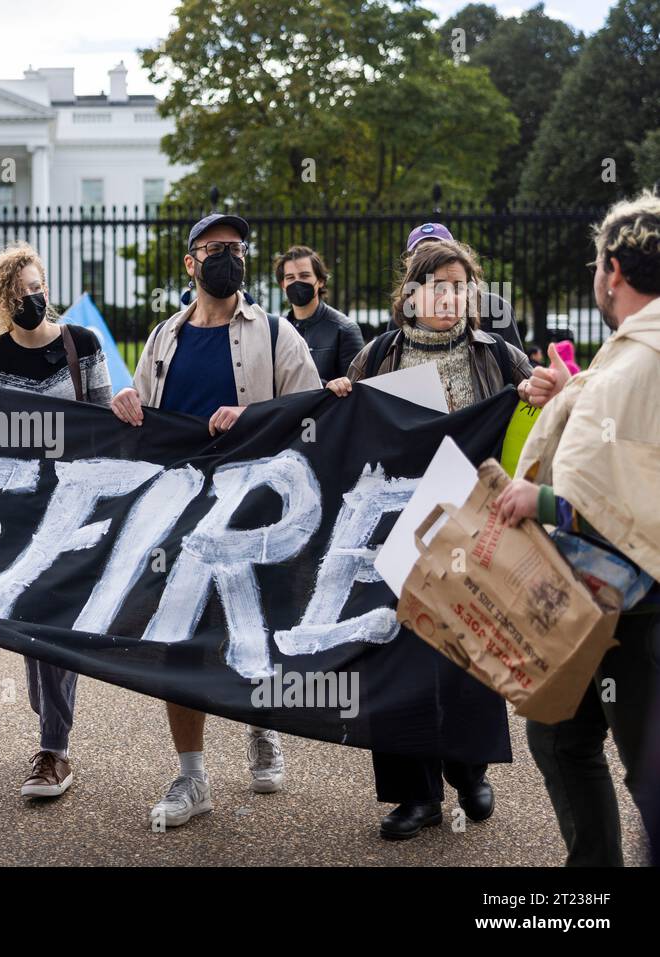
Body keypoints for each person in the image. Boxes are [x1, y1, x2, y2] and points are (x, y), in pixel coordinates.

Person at [111, 213, 322, 827]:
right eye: (213, 249)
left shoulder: (279, 335)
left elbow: (311, 417)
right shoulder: (162, 338)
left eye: (234, 248)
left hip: (254, 513)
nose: (226, 257)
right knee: (179, 639)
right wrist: (125, 401)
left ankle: (261, 727)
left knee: (251, 627)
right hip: (180, 514)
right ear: (190, 263)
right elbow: (143, 414)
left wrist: (252, 417)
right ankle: (192, 774)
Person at [494, 189, 660, 866]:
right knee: (559, 735)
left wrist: (545, 503)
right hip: (595, 596)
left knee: (647, 771)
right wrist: (570, 392)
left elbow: (622, 489)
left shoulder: (645, 355)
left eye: (598, 263)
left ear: (613, 271)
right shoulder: (634, 349)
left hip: (638, 605)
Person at [346, 238, 532, 839]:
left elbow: (537, 423)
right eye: (437, 285)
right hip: (395, 532)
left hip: (470, 529)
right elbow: (347, 429)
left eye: (459, 286)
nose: (449, 296)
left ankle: (468, 766)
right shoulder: (377, 356)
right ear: (412, 293)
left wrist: (540, 396)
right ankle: (414, 794)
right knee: (396, 656)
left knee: (466, 649)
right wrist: (339, 398)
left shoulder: (499, 357)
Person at [0, 241, 113, 800]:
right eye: (22, 291)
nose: (34, 297)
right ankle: (51, 727)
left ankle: (53, 748)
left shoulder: (83, 344)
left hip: (75, 506)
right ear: (6, 300)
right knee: (30, 626)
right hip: (20, 511)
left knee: (53, 621)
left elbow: (103, 424)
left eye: (39, 286)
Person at [406, 223, 524, 350]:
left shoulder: (496, 308)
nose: (430, 258)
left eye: (438, 250)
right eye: (420, 253)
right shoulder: (401, 320)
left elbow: (513, 363)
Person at [274, 245, 363, 384]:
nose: (297, 282)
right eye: (290, 277)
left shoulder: (345, 329)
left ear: (320, 281)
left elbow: (357, 388)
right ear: (283, 285)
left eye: (304, 275)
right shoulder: (276, 330)